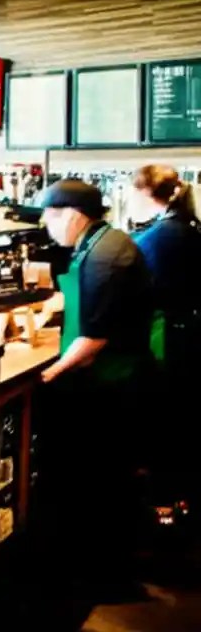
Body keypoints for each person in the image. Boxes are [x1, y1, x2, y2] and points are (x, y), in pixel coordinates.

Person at [34, 178, 153, 601]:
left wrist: (50, 373)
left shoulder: (105, 258)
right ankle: (104, 569)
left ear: (71, 214)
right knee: (105, 481)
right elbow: (91, 304)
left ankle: (106, 579)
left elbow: (94, 340)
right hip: (117, 377)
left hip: (112, 385)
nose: (47, 227)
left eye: (49, 217)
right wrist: (55, 305)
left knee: (103, 483)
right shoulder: (103, 242)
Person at [128, 165, 201, 506]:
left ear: (145, 194)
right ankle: (180, 495)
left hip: (170, 337)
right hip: (189, 334)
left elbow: (135, 287)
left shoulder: (157, 237)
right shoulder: (188, 226)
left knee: (167, 417)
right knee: (182, 416)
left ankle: (166, 501)